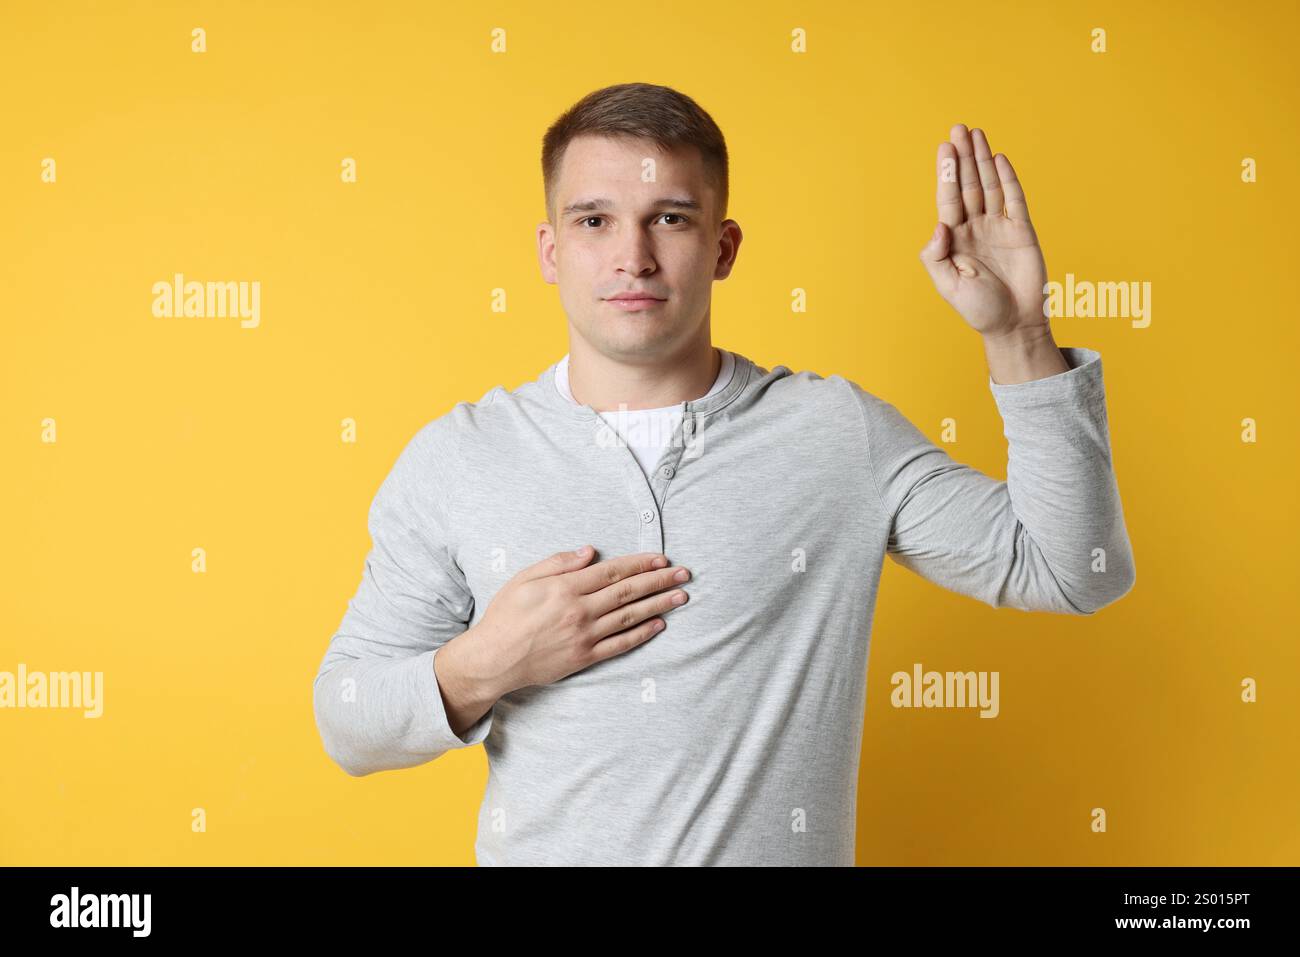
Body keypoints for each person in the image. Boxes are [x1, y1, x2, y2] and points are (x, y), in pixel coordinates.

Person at [312, 82, 1135, 866]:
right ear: (551, 251)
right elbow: (347, 721)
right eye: (595, 220)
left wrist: (1020, 335)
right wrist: (488, 662)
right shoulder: (459, 456)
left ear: (723, 246)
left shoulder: (836, 433)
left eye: (669, 218)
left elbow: (1070, 571)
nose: (632, 257)